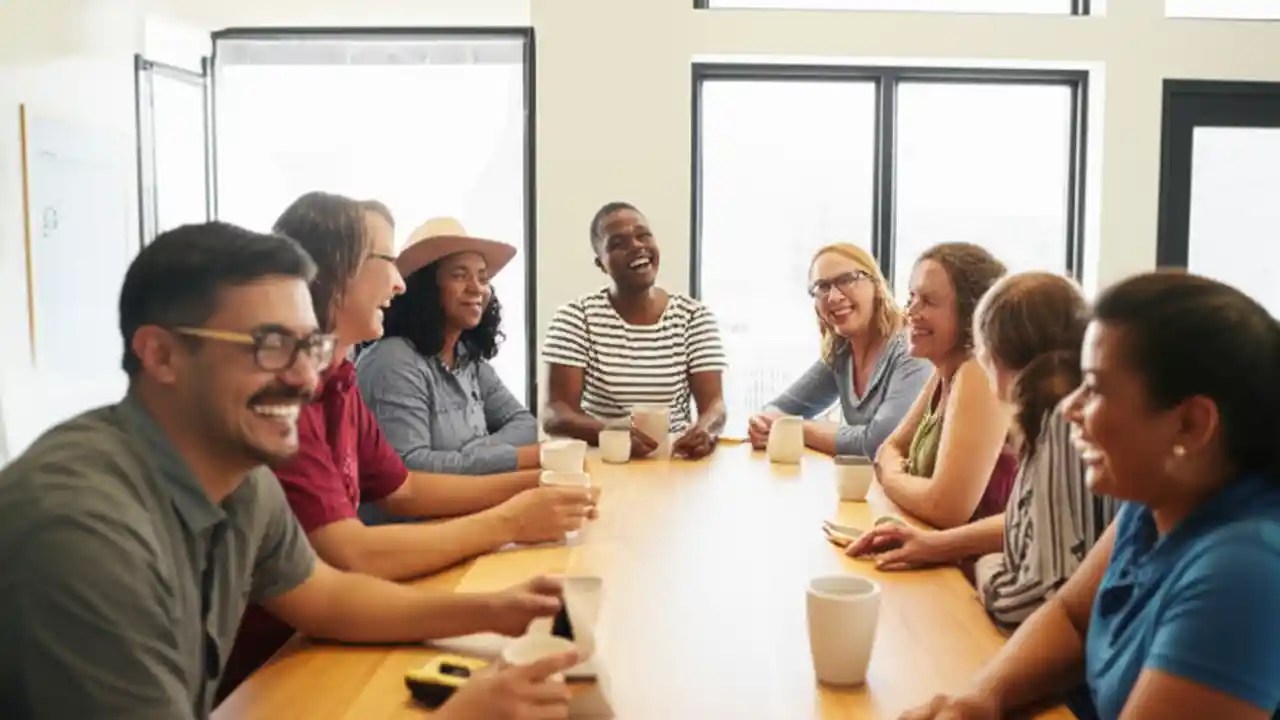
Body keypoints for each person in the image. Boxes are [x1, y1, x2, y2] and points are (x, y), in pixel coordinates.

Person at [0, 222, 577, 720]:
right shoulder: (80, 530)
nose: (305, 379)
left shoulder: (240, 473)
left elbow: (326, 598)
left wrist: (498, 610)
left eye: (311, 347)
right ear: (161, 355)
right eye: (272, 346)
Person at [219, 193, 593, 698]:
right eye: (388, 261)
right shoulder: (285, 397)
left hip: (322, 629)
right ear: (330, 271)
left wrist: (533, 490)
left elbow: (405, 488)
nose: (398, 281)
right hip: (259, 671)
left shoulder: (340, 379)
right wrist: (510, 519)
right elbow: (351, 554)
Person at [903, 272, 1280, 720]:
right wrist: (983, 696)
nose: (1069, 407)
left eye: (1095, 388)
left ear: (1191, 425)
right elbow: (1071, 617)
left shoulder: (1244, 571)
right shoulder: (1157, 501)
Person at [848, 273, 1116, 628]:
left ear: (995, 356)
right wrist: (933, 545)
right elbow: (1030, 522)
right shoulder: (1052, 422)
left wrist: (985, 566)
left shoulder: (1060, 427)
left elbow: (1035, 598)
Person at [543, 201, 727, 459]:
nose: (637, 246)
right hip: (607, 459)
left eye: (643, 236)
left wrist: (706, 430)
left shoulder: (694, 317)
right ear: (601, 264)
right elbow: (555, 414)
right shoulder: (575, 318)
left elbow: (715, 406)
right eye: (618, 244)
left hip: (674, 461)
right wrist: (611, 431)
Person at [357, 217, 539, 476]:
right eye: (459, 275)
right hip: (415, 516)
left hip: (463, 509)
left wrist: (479, 451)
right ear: (426, 287)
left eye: (482, 277)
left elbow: (525, 424)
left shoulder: (468, 359)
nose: (477, 288)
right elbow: (409, 468)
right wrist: (508, 457)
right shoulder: (393, 360)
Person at [874, 242, 1017, 529]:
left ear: (970, 313)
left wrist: (891, 477)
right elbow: (887, 449)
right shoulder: (944, 370)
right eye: (911, 297)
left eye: (928, 301)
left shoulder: (978, 373)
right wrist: (892, 470)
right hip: (937, 548)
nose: (910, 311)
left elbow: (946, 508)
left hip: (975, 566)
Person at [747, 243, 929, 457]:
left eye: (846, 280)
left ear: (876, 285)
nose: (833, 297)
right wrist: (761, 425)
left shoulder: (912, 348)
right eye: (822, 287)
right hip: (866, 486)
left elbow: (881, 442)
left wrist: (796, 428)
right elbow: (777, 410)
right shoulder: (841, 351)